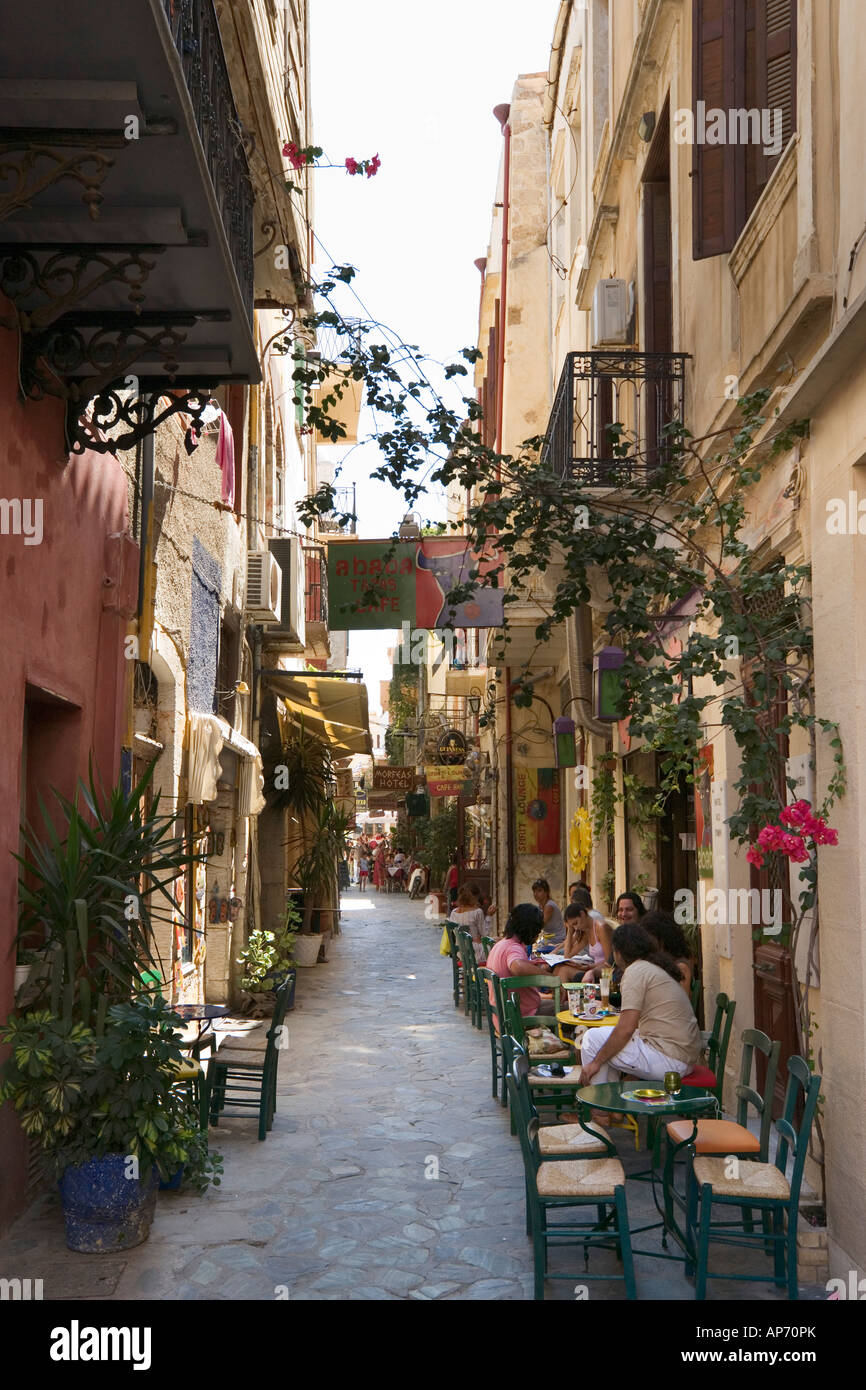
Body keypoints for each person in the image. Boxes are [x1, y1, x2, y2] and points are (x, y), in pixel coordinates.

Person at [578, 921, 702, 1086]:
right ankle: (612, 1105)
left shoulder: (635, 971)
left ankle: (600, 1109)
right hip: (680, 1056)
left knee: (592, 1039)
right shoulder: (650, 967)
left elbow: (626, 1029)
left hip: (671, 1059)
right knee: (604, 1041)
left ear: (618, 953)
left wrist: (595, 1063)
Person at [485, 903, 556, 1017]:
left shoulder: (501, 944)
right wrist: (551, 979)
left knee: (556, 1004)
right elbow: (518, 966)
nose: (537, 936)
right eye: (537, 931)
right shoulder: (513, 948)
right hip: (520, 1016)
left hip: (506, 1014)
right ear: (530, 929)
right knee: (571, 1010)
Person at [551, 901, 613, 982]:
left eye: (576, 923)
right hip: (594, 968)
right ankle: (560, 994)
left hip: (604, 973)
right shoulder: (587, 932)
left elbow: (609, 962)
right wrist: (570, 931)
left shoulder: (601, 928)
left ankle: (564, 994)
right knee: (558, 968)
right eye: (573, 925)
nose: (576, 928)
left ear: (582, 914)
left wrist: (589, 967)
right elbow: (567, 955)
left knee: (563, 971)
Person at [641, 910, 694, 994]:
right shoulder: (659, 959)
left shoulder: (681, 966)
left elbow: (680, 1000)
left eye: (650, 938)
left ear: (662, 937)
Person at [449, 885, 486, 964]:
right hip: (475, 952)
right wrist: (489, 916)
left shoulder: (454, 912)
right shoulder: (477, 912)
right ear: (475, 897)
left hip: (461, 952)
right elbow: (485, 934)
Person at [531, 878, 566, 950]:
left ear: (546, 892)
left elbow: (540, 925)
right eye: (534, 891)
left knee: (537, 951)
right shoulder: (540, 906)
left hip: (557, 940)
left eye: (539, 891)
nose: (536, 894)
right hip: (548, 939)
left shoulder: (549, 906)